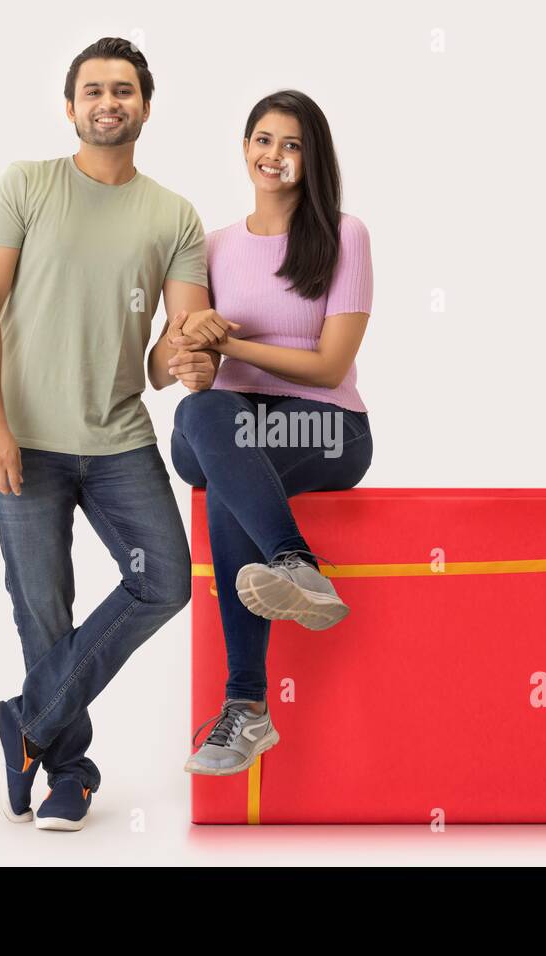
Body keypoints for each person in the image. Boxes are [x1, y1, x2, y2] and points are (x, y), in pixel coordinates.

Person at [0, 38, 220, 830]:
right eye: (93, 90)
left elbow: (166, 352)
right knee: (42, 611)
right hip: (23, 440)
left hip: (118, 442)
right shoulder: (25, 186)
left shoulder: (173, 215)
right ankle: (68, 774)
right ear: (70, 106)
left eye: (123, 90)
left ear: (146, 104)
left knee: (166, 581)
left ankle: (27, 722)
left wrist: (190, 359)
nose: (108, 101)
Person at [168, 90, 375, 776]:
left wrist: (234, 341)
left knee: (231, 482)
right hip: (223, 426)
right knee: (202, 417)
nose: (275, 156)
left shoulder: (345, 236)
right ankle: (296, 567)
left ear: (312, 160)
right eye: (264, 140)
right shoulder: (212, 246)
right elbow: (183, 365)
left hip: (325, 428)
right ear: (245, 149)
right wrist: (195, 348)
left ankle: (247, 707)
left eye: (292, 145)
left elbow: (328, 366)